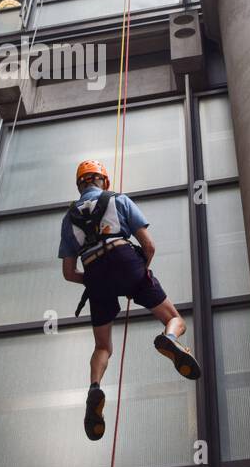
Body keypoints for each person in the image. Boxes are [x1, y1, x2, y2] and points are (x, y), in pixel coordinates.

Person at [58, 159, 200, 441]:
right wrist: (140, 273)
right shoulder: (117, 199)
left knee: (103, 346)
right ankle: (170, 339)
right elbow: (149, 245)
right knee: (174, 318)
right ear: (103, 181)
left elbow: (68, 273)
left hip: (94, 270)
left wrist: (95, 280)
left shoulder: (68, 218)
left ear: (79, 185)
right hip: (125, 258)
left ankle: (95, 387)